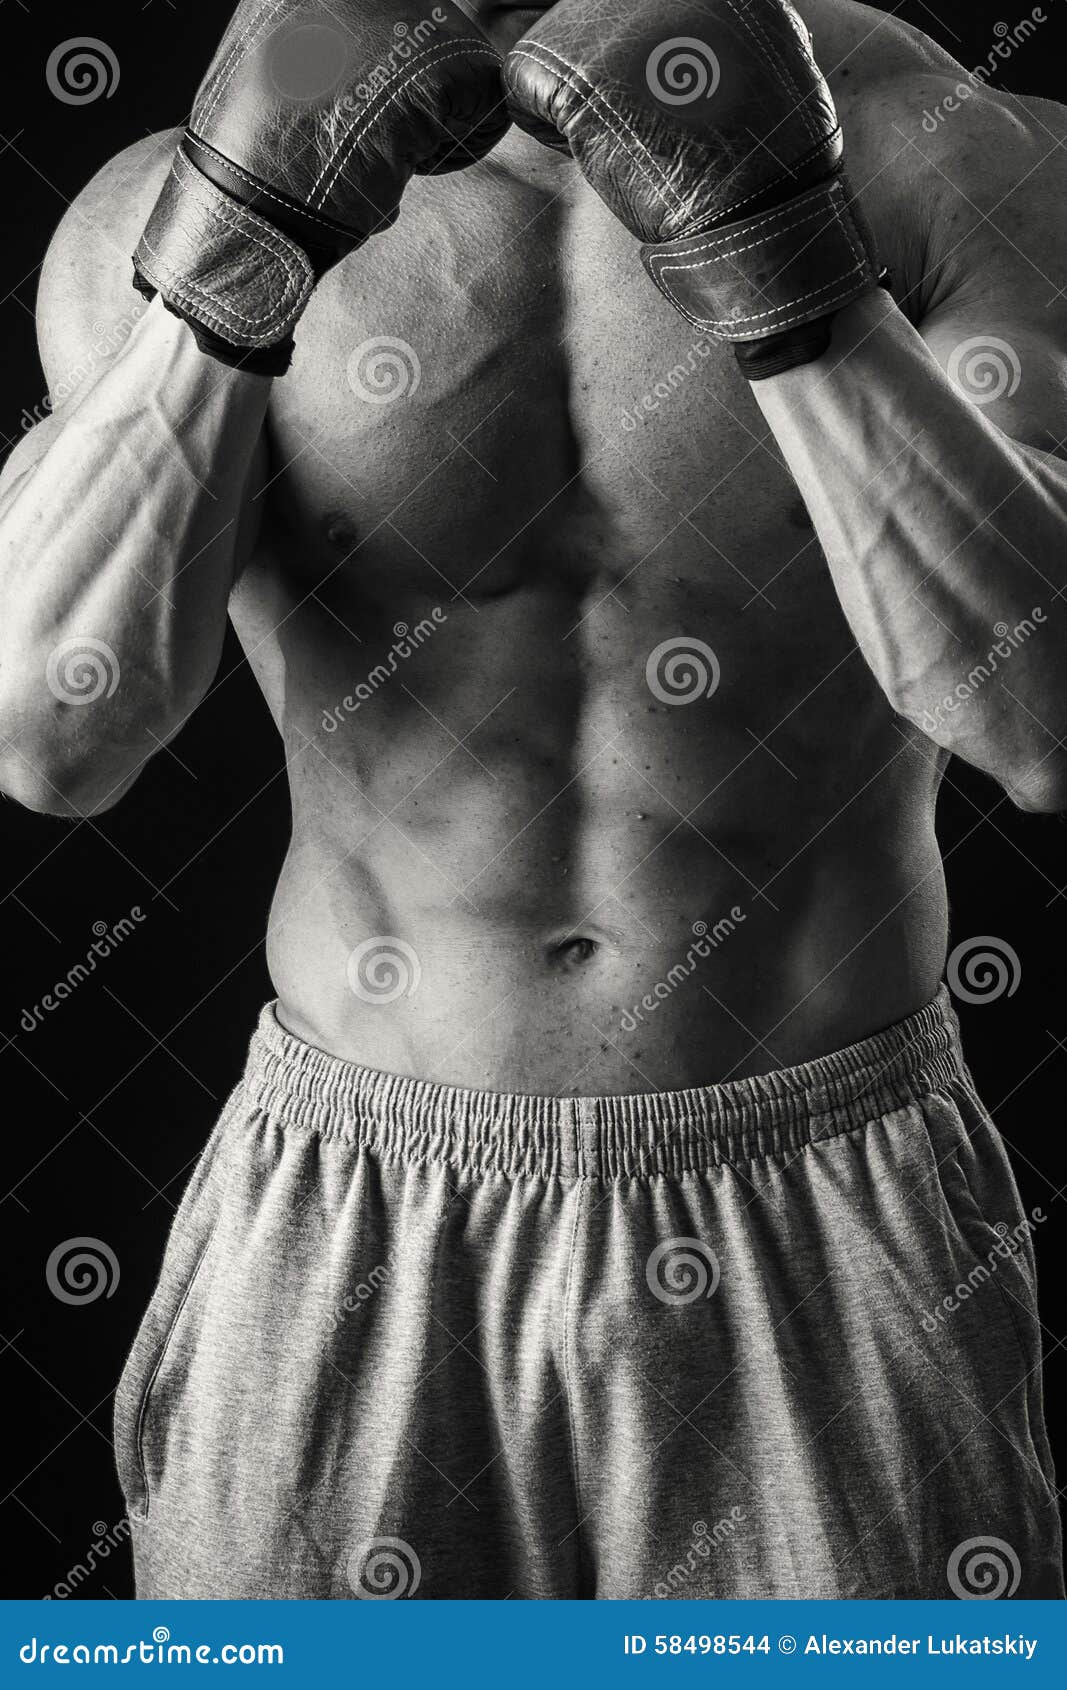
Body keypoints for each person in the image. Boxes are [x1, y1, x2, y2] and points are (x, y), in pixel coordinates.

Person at [0, 0, 1062, 1599]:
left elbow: (1044, 727)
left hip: (822, 1194)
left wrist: (785, 257)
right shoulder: (165, 206)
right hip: (355, 1207)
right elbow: (50, 737)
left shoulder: (951, 159)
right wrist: (233, 259)